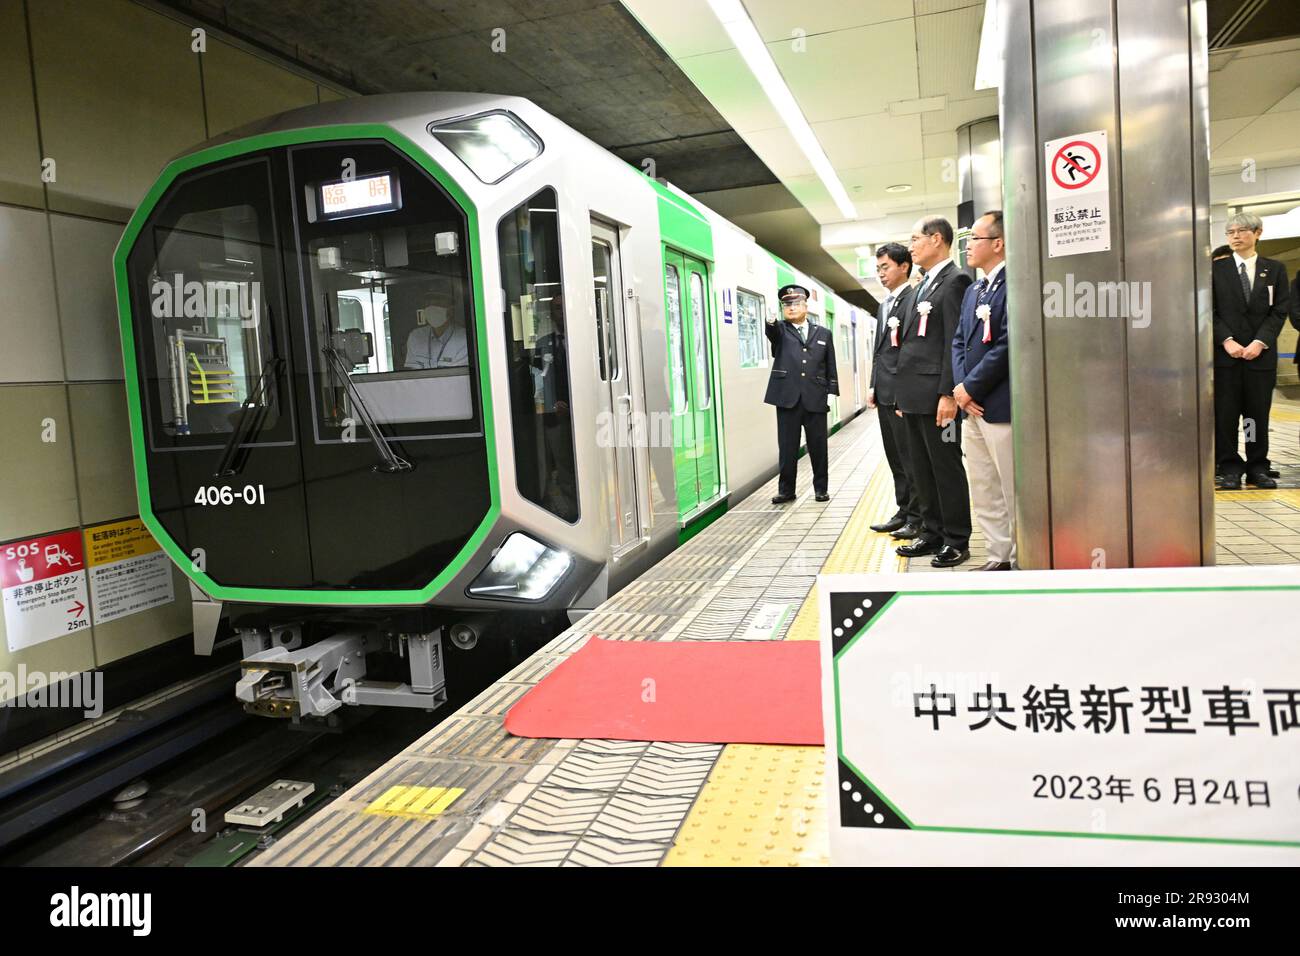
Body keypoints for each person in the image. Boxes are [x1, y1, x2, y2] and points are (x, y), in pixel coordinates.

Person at [894, 216, 973, 567]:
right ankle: (931, 531)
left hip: (937, 397)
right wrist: (900, 396)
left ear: (936, 239)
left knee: (945, 467)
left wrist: (948, 394)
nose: (911, 246)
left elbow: (954, 342)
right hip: (912, 396)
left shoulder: (955, 281)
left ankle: (956, 538)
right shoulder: (922, 285)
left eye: (915, 239)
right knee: (920, 468)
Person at [952, 210, 1014, 570]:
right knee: (984, 486)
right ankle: (998, 555)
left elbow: (1009, 344)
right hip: (971, 405)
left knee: (1010, 486)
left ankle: (1023, 556)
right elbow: (959, 341)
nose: (969, 246)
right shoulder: (974, 290)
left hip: (1000, 404)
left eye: (974, 238)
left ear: (998, 243)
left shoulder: (1015, 285)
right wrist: (962, 389)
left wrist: (971, 388)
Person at [1212, 212, 1290, 490]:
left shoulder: (1275, 269)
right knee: (1226, 413)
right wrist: (1226, 340)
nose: (1235, 236)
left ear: (1257, 233)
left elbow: (1279, 310)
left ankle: (1258, 466)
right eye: (1230, 232)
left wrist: (1260, 342)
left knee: (1257, 414)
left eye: (1242, 230)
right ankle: (1229, 466)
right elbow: (1209, 311)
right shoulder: (1215, 270)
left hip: (1260, 357)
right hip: (1226, 357)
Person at [867, 243, 922, 537]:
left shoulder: (914, 300)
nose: (881, 274)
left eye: (885, 267)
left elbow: (909, 353)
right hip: (885, 392)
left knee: (910, 457)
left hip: (902, 394)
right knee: (895, 457)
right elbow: (880, 351)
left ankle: (917, 516)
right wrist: (874, 385)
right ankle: (904, 510)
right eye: (878, 269)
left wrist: (903, 391)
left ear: (904, 266)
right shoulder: (884, 304)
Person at [764, 283, 838, 504]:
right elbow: (773, 334)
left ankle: (821, 489)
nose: (791, 308)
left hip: (815, 396)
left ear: (806, 305)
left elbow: (829, 364)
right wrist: (770, 322)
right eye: (787, 304)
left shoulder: (823, 333)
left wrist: (832, 391)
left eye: (796, 303)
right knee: (787, 448)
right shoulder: (781, 331)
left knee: (818, 447)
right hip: (787, 398)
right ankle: (786, 491)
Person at [403, 288, 467, 369]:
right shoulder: (415, 336)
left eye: (438, 304)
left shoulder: (464, 339)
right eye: (429, 304)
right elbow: (411, 373)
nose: (432, 308)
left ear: (451, 310)